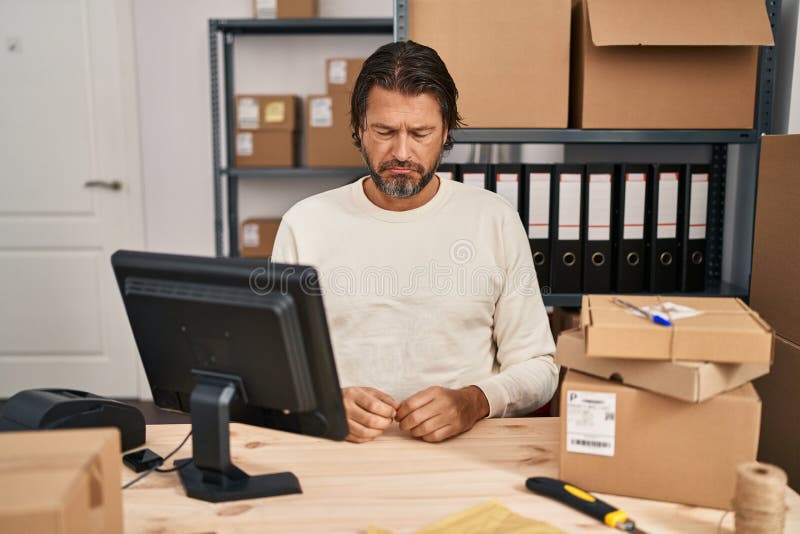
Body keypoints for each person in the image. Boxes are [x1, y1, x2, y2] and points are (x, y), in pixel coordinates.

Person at [272, 40, 557, 444]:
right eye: (384, 131)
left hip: (468, 454)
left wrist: (474, 401)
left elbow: (540, 369)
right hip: (339, 451)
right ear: (358, 127)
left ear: (446, 132)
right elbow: (276, 371)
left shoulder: (493, 219)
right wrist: (322, 403)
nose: (401, 152)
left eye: (421, 132)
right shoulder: (305, 223)